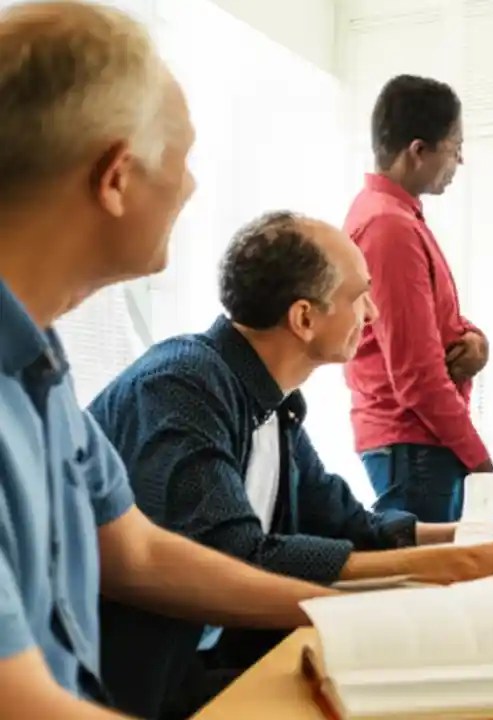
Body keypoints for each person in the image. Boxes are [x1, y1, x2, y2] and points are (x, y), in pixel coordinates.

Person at [89, 212, 493, 718]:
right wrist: (461, 565)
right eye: (359, 296)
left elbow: (352, 526)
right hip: (140, 686)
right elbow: (233, 554)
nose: (371, 314)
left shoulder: (271, 403)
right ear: (304, 318)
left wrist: (481, 538)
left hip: (212, 662)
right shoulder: (182, 386)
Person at [0, 4, 342, 718]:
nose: (190, 189)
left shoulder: (41, 366)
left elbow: (139, 555)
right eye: (182, 160)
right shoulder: (175, 379)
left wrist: (350, 615)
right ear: (117, 178)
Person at [343, 74, 487, 523]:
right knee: (428, 585)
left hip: (416, 444)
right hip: (415, 443)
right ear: (418, 150)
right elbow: (416, 375)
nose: (459, 159)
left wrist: (478, 342)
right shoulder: (389, 228)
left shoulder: (395, 217)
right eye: (454, 145)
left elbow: (440, 322)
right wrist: (480, 461)